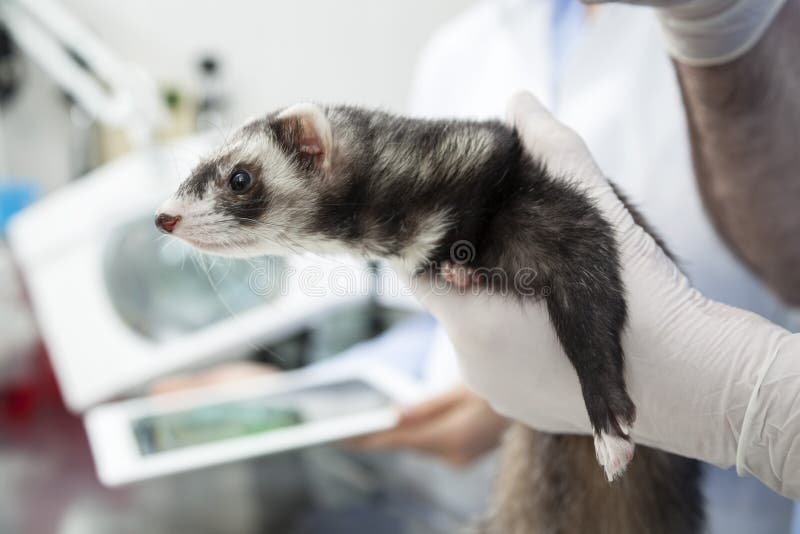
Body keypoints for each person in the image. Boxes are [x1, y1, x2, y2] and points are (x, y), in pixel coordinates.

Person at [159, 0, 800, 531]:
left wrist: (732, 399)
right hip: (490, 500)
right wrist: (297, 399)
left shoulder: (746, 21)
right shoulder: (459, 49)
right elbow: (440, 327)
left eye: (242, 182)